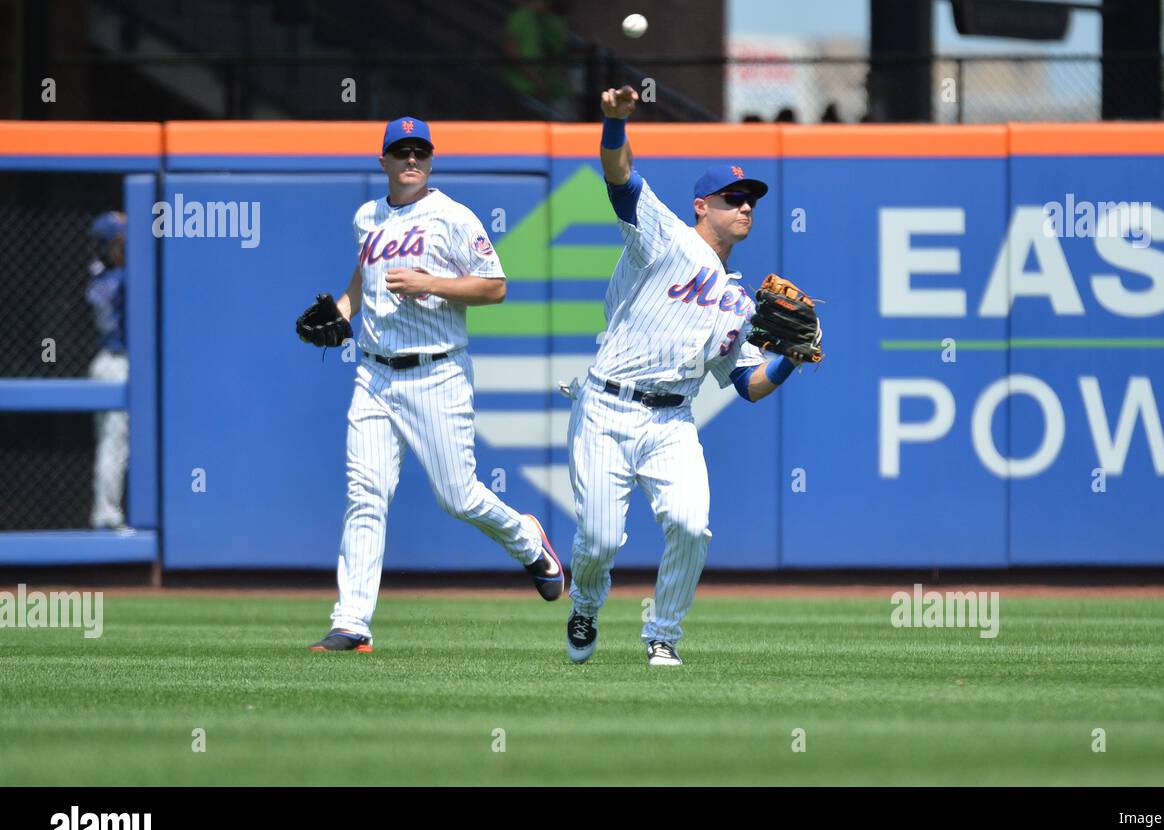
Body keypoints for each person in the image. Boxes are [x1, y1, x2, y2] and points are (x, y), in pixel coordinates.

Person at [563, 86, 810, 667]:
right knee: (599, 541)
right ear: (703, 206)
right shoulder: (665, 236)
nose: (745, 207)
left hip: (671, 419)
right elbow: (620, 179)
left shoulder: (740, 301)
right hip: (605, 407)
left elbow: (749, 386)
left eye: (751, 200)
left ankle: (663, 633)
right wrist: (614, 121)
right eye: (732, 199)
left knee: (692, 525)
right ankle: (586, 605)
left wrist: (791, 360)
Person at [305, 117, 564, 653]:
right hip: (374, 374)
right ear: (383, 161)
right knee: (366, 495)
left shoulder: (452, 216)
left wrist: (431, 283)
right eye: (400, 152)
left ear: (431, 157)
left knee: (459, 496)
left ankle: (528, 540)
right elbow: (361, 281)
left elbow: (495, 288)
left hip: (438, 372)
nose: (411, 160)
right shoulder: (367, 216)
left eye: (419, 151)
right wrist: (342, 312)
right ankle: (352, 622)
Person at [85, 211, 129, 530]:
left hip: (105, 361)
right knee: (114, 444)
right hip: (117, 363)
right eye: (122, 240)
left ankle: (109, 512)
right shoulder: (121, 278)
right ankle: (107, 516)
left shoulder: (98, 276)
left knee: (112, 443)